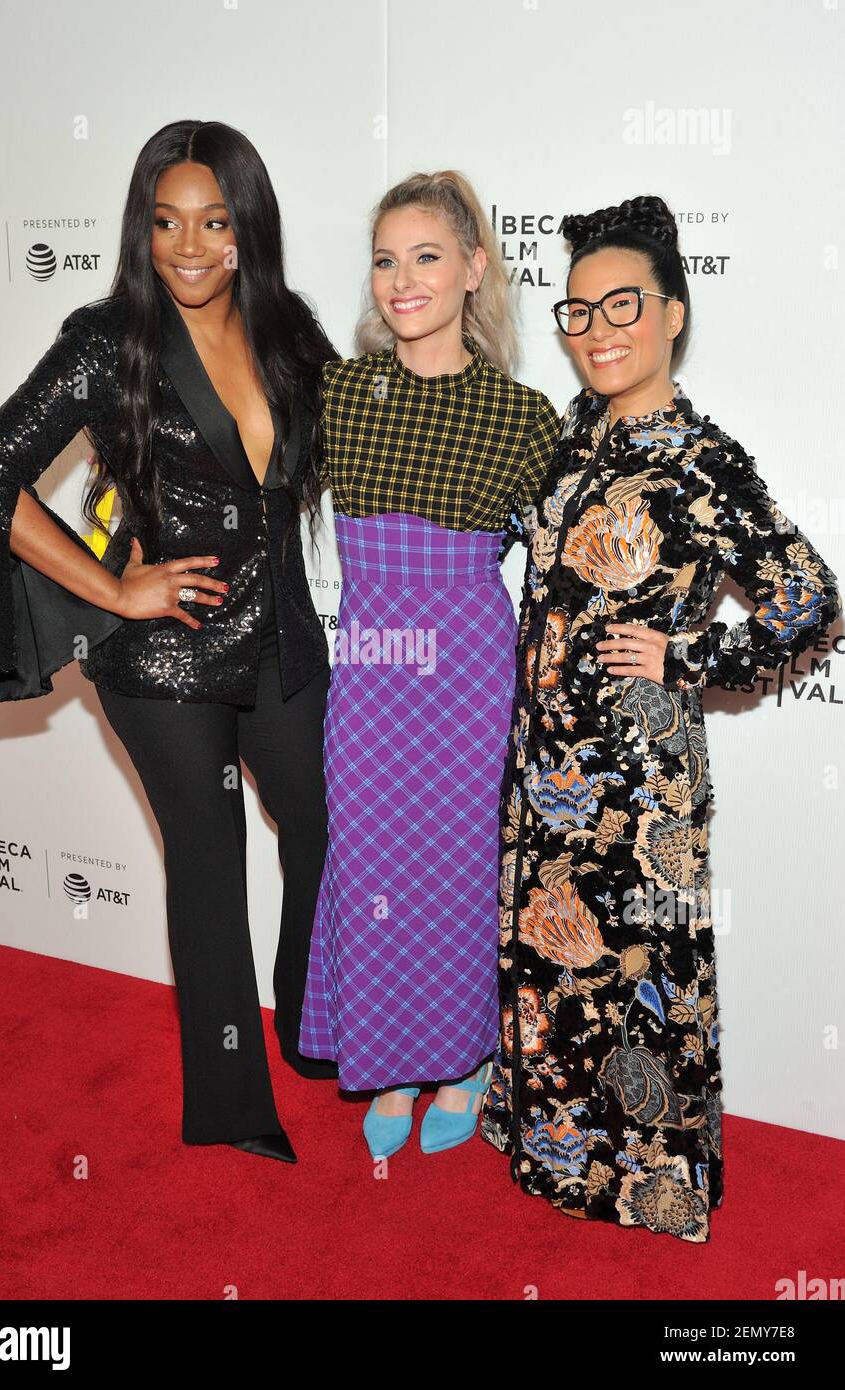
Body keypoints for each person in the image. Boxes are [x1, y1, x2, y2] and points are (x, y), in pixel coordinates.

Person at [0, 120, 340, 1163]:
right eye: (165, 222)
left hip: (281, 633)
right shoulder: (107, 341)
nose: (188, 246)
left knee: (332, 831)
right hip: (166, 657)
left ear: (248, 231)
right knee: (210, 861)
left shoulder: (290, 332)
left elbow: (357, 453)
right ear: (140, 229)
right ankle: (235, 1108)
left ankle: (308, 1014)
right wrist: (114, 585)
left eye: (213, 222)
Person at [478, 194, 842, 1240]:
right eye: (576, 313)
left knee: (641, 981)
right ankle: (558, 1161)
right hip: (545, 762)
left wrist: (687, 656)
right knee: (555, 973)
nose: (596, 331)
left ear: (672, 312)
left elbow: (808, 597)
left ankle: (653, 1184)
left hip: (639, 780)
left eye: (621, 306)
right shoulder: (571, 438)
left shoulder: (701, 459)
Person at [297, 171, 561, 1159]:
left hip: (465, 672)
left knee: (453, 868)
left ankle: (460, 1057)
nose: (400, 280)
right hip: (366, 663)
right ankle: (389, 1054)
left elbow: (564, 562)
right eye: (383, 258)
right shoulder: (338, 392)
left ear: (472, 271)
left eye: (425, 256)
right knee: (369, 858)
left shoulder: (524, 416)